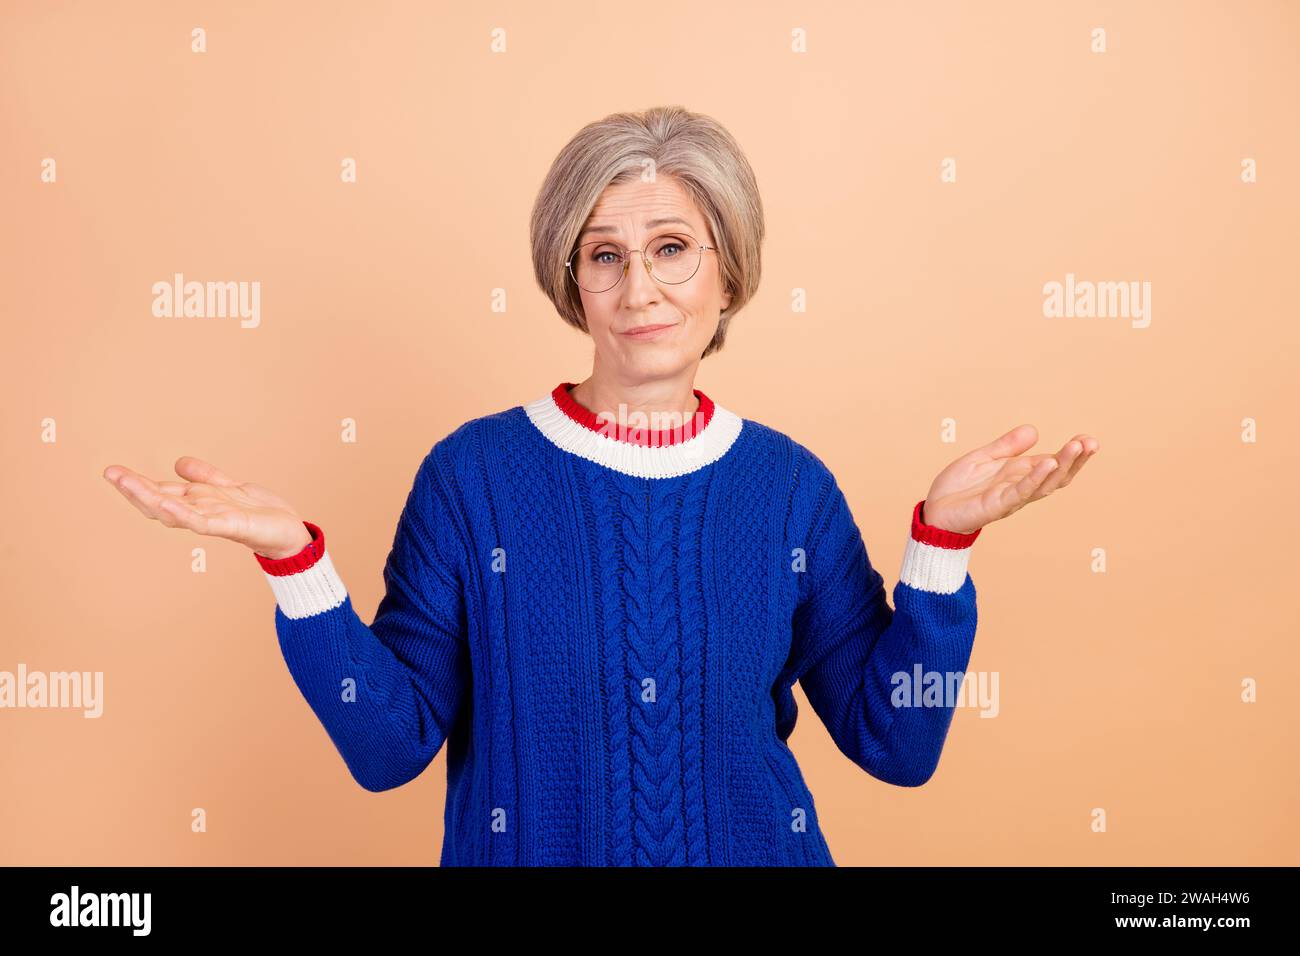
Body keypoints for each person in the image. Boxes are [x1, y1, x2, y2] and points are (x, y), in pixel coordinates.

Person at [103, 105, 1098, 866]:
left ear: (725, 275)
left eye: (671, 248)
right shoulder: (472, 478)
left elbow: (895, 741)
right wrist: (295, 563)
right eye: (604, 255)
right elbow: (387, 745)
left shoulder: (789, 489)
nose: (639, 287)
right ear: (570, 277)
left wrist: (942, 550)